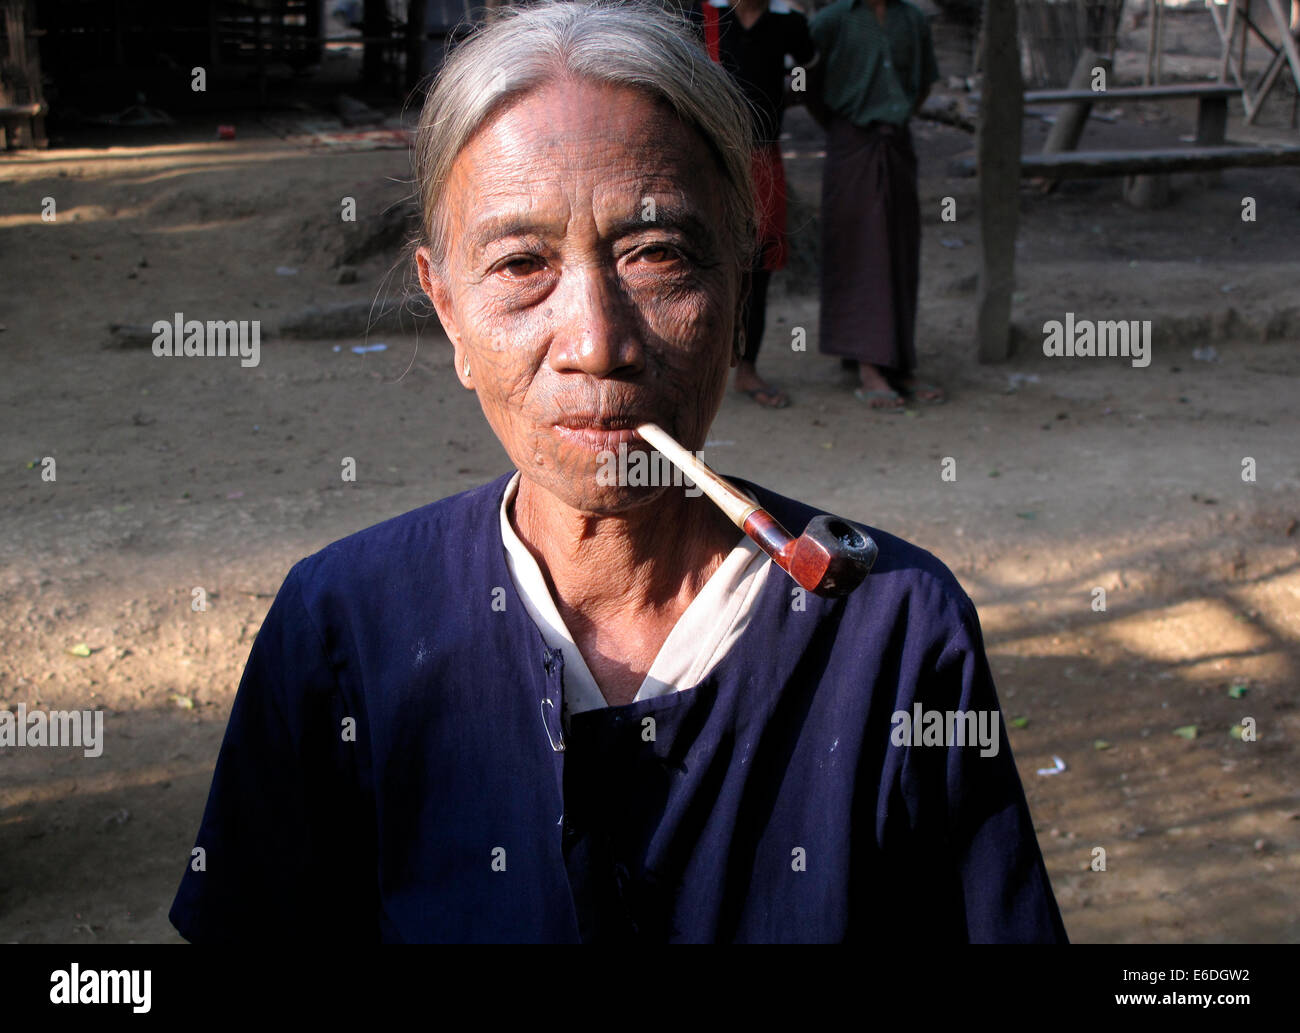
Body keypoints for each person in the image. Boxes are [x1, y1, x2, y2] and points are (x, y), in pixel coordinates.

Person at [168, 0, 1065, 943]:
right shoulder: (341, 629)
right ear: (447, 309)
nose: (597, 342)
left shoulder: (893, 636)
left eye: (657, 254)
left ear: (739, 278)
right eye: (522, 264)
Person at [810, 0, 944, 410]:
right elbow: (808, 87)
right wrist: (847, 128)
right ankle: (869, 365)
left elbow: (922, 83)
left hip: (896, 143)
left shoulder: (913, 19)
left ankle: (900, 364)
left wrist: (892, 116)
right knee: (859, 252)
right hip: (851, 145)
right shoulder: (831, 22)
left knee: (900, 251)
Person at [688, 0, 816, 410]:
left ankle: (747, 369)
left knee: (757, 269)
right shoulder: (702, 17)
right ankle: (693, 370)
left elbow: (808, 69)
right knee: (695, 262)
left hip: (762, 160)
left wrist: (785, 96)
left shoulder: (788, 24)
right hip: (708, 160)